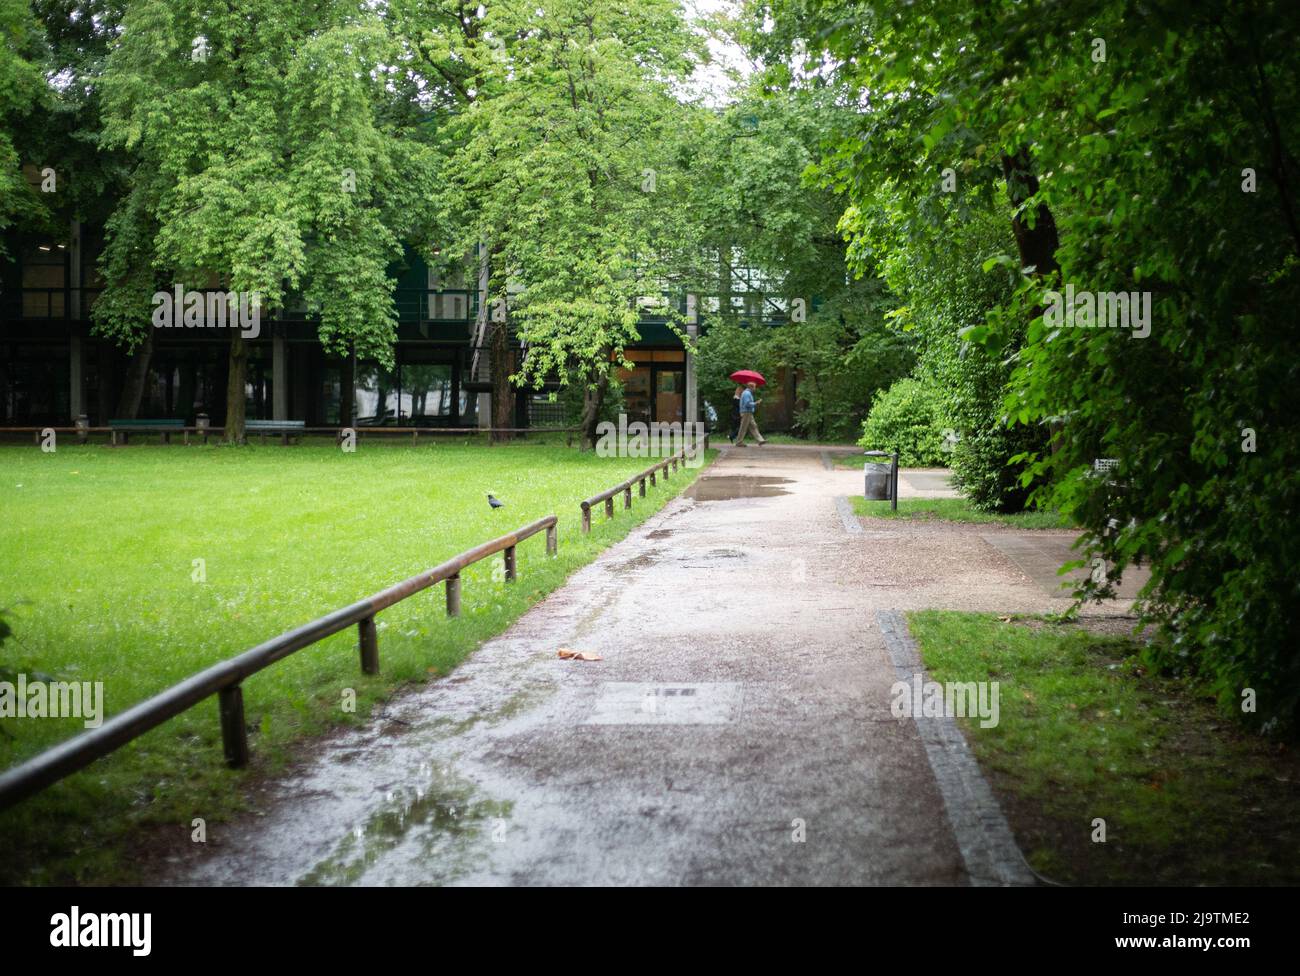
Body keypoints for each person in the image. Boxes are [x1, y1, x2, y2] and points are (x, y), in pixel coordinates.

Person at [733, 381, 766, 446]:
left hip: (748, 412)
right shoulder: (747, 393)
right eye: (754, 387)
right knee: (743, 427)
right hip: (746, 412)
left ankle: (760, 440)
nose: (755, 389)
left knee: (754, 426)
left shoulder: (747, 393)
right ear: (751, 387)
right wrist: (756, 403)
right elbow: (747, 404)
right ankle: (739, 442)